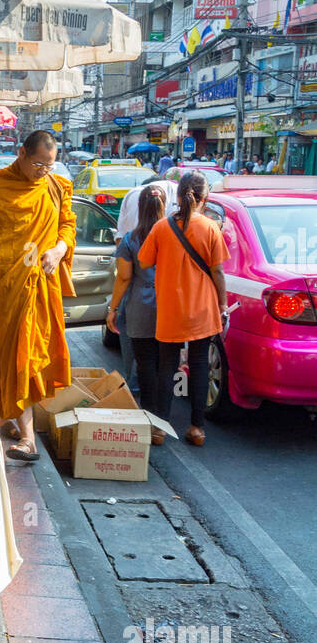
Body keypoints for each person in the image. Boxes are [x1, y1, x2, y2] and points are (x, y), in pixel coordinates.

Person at [0, 129, 76, 463]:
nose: (43, 171)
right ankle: (7, 419)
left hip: (38, 286)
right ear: (22, 153)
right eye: (38, 164)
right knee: (8, 359)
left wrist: (59, 249)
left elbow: (67, 226)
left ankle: (24, 435)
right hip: (4, 289)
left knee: (26, 357)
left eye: (49, 165)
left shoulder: (55, 188)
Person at [138, 171, 229, 447]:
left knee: (167, 366)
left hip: (171, 309)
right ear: (205, 198)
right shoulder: (211, 228)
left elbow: (144, 262)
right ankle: (196, 429)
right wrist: (223, 303)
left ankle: (159, 430)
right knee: (200, 365)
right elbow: (218, 272)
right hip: (202, 308)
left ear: (177, 197)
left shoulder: (162, 228)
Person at [107, 184, 165, 439]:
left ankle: (148, 416)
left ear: (140, 208)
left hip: (140, 306)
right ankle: (163, 419)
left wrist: (113, 308)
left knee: (144, 363)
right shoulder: (173, 236)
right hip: (170, 305)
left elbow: (123, 277)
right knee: (167, 363)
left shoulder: (131, 238)